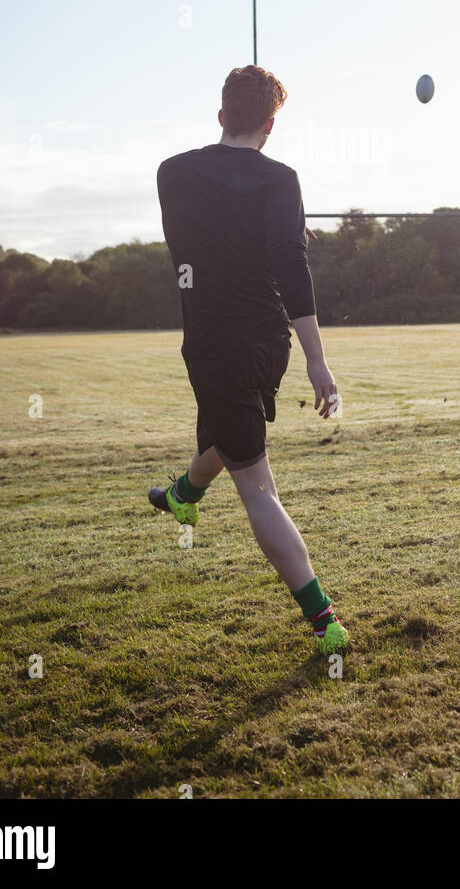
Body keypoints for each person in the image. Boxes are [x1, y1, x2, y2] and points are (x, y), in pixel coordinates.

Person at [149, 64, 349, 655]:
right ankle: (184, 495)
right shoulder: (282, 180)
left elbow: (193, 243)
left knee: (257, 486)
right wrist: (317, 360)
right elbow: (291, 268)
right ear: (269, 125)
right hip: (270, 343)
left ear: (219, 117)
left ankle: (323, 622)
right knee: (235, 436)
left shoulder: (172, 173)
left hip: (214, 342)